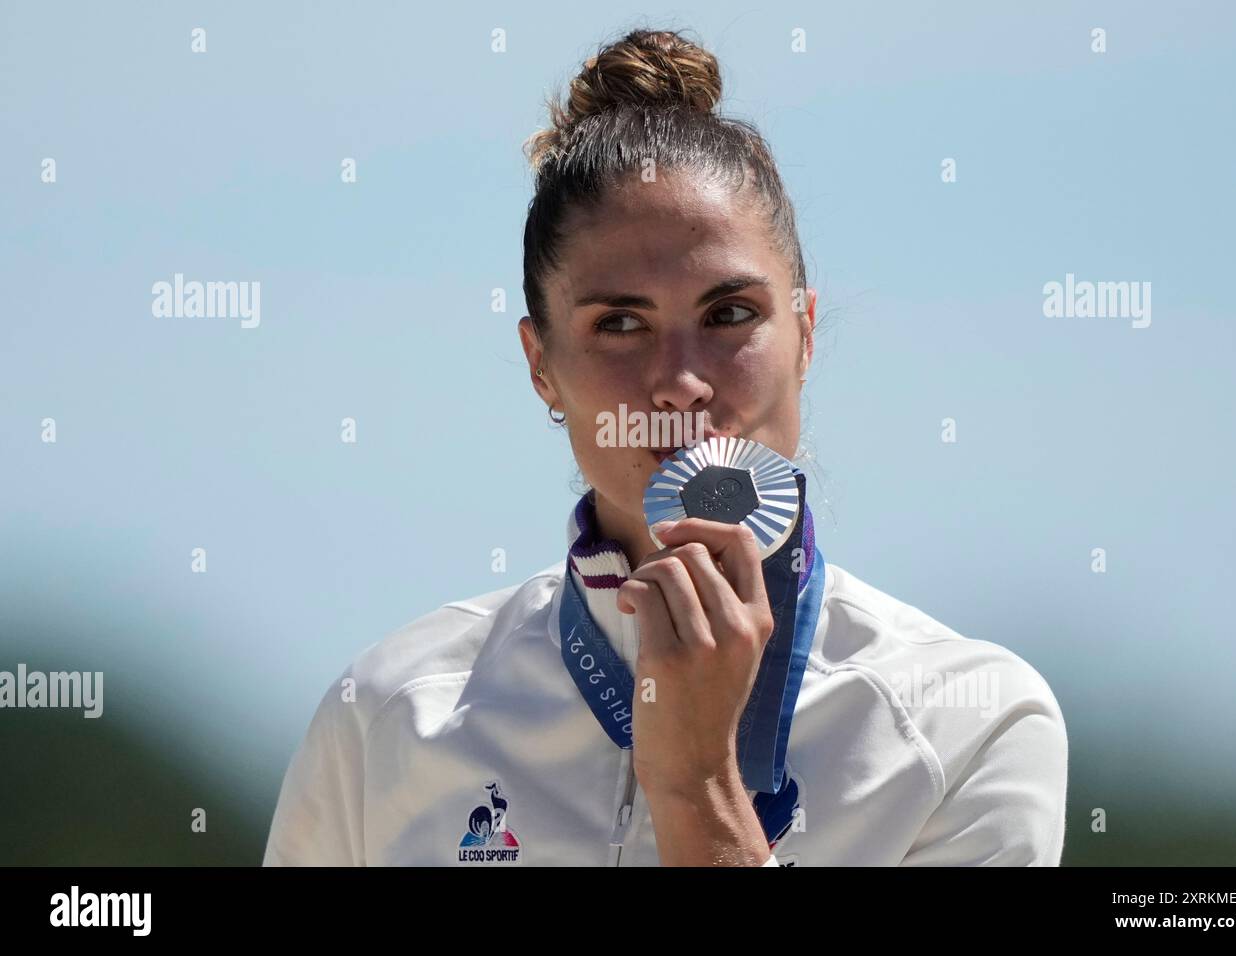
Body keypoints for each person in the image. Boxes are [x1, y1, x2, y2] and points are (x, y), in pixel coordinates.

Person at [263, 27, 1068, 867]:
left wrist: (697, 786)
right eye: (619, 323)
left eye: (728, 315)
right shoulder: (388, 713)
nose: (681, 383)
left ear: (805, 333)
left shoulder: (970, 720)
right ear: (541, 366)